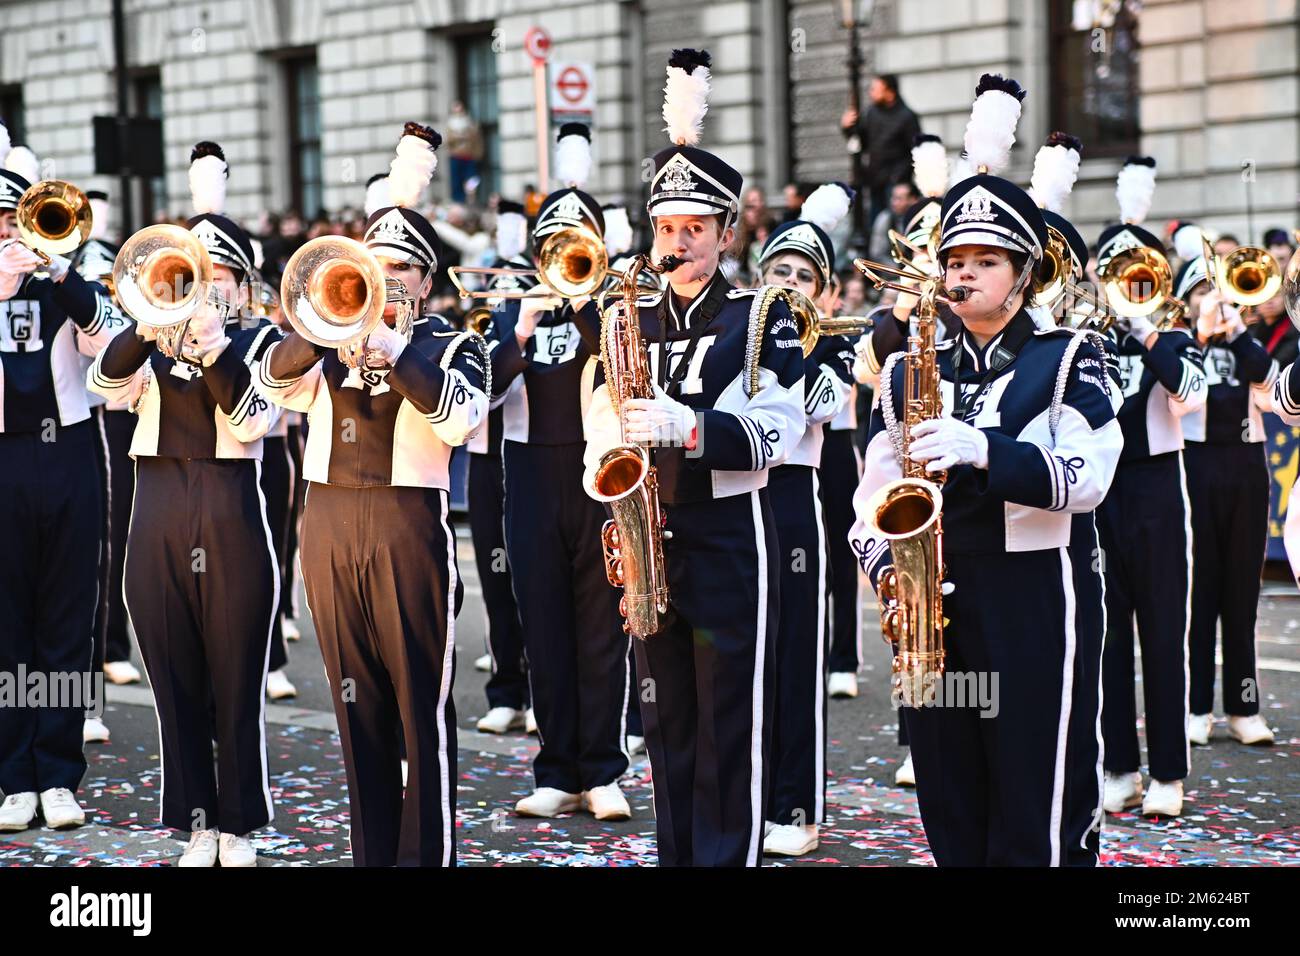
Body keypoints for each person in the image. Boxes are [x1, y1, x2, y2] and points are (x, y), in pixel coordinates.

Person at [850, 75, 1123, 867]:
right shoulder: (906, 367)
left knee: (1034, 784)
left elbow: (1091, 475)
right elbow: (871, 494)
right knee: (948, 784)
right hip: (932, 601)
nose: (963, 275)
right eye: (954, 261)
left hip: (1030, 597)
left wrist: (986, 451)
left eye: (985, 261)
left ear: (1025, 272)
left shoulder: (1065, 358)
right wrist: (886, 566)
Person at [583, 49, 806, 867]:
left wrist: (691, 427)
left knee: (727, 721)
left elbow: (780, 428)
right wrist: (607, 457)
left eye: (694, 229)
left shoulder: (760, 316)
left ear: (725, 233)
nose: (677, 243)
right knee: (666, 719)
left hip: (727, 538)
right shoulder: (629, 316)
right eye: (666, 229)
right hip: (650, 536)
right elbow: (601, 413)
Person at [257, 123, 488, 867]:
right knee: (355, 713)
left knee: (422, 711)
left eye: (399, 271)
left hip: (406, 527)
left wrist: (396, 350)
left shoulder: (452, 343)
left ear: (424, 281)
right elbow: (270, 386)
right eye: (373, 267)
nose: (383, 282)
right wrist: (323, 327)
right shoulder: (330, 340)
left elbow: (459, 420)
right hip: (327, 524)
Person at [88, 142, 283, 866]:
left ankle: (239, 823)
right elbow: (103, 385)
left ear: (240, 284)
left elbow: (254, 420)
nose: (202, 286)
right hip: (159, 502)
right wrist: (146, 325)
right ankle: (199, 822)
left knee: (235, 676)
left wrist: (215, 349)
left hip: (229, 507)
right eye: (192, 273)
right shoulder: (151, 337)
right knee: (174, 676)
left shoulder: (260, 340)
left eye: (217, 275)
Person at [492, 125, 632, 821]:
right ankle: (556, 768)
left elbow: (629, 375)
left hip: (596, 476)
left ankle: (603, 768)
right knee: (543, 627)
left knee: (602, 629)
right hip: (530, 478)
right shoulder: (508, 310)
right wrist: (520, 328)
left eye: (578, 244)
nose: (565, 256)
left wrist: (585, 307)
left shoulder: (615, 312)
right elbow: (483, 392)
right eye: (555, 243)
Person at [0, 132, 124, 834]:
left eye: (12, 220)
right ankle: (14, 775)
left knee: (66, 619)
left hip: (68, 453)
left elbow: (111, 342)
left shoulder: (65, 284)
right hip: (4, 457)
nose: (7, 235)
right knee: (7, 622)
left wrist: (61, 273)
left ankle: (58, 771)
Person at [1097, 158, 1207, 820]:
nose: (1124, 281)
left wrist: (1144, 327)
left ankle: (1168, 771)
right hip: (1101, 494)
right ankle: (1119, 766)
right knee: (1108, 639)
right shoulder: (1083, 341)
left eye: (1135, 270)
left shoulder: (1176, 338)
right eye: (1114, 270)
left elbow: (1190, 395)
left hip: (1159, 492)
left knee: (1165, 635)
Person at [755, 182, 856, 857]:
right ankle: (747, 794)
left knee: (794, 656)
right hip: (733, 497)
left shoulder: (833, 352)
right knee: (741, 658)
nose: (789, 283)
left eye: (803, 276)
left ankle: (797, 806)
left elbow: (813, 406)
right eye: (779, 271)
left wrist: (792, 341)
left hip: (792, 498)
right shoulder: (737, 331)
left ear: (825, 293)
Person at [1180, 257, 1277, 748]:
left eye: (1217, 291)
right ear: (1186, 300)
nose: (1212, 299)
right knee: (1200, 596)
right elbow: (1182, 392)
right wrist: (1200, 332)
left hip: (1245, 470)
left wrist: (1235, 329)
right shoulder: (1181, 345)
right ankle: (1197, 707)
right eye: (1202, 290)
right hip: (1196, 467)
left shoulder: (1249, 343)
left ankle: (1244, 708)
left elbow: (1268, 382)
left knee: (1241, 597)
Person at [468, 199, 532, 736]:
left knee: (533, 581)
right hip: (485, 459)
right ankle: (506, 688)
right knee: (495, 579)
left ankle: (537, 690)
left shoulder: (535, 321)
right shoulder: (480, 327)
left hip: (525, 455)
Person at [840, 74, 922, 238]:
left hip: (896, 183)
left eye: (875, 89)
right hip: (875, 180)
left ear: (889, 92)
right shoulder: (872, 113)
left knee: (895, 225)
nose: (871, 93)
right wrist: (846, 127)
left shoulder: (907, 116)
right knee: (876, 224)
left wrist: (899, 177)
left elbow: (916, 150)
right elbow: (860, 142)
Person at [446, 101, 484, 205]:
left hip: (469, 156)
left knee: (471, 180)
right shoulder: (450, 125)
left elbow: (476, 140)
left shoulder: (470, 124)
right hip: (456, 156)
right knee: (456, 181)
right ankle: (459, 201)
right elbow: (448, 141)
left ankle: (471, 199)